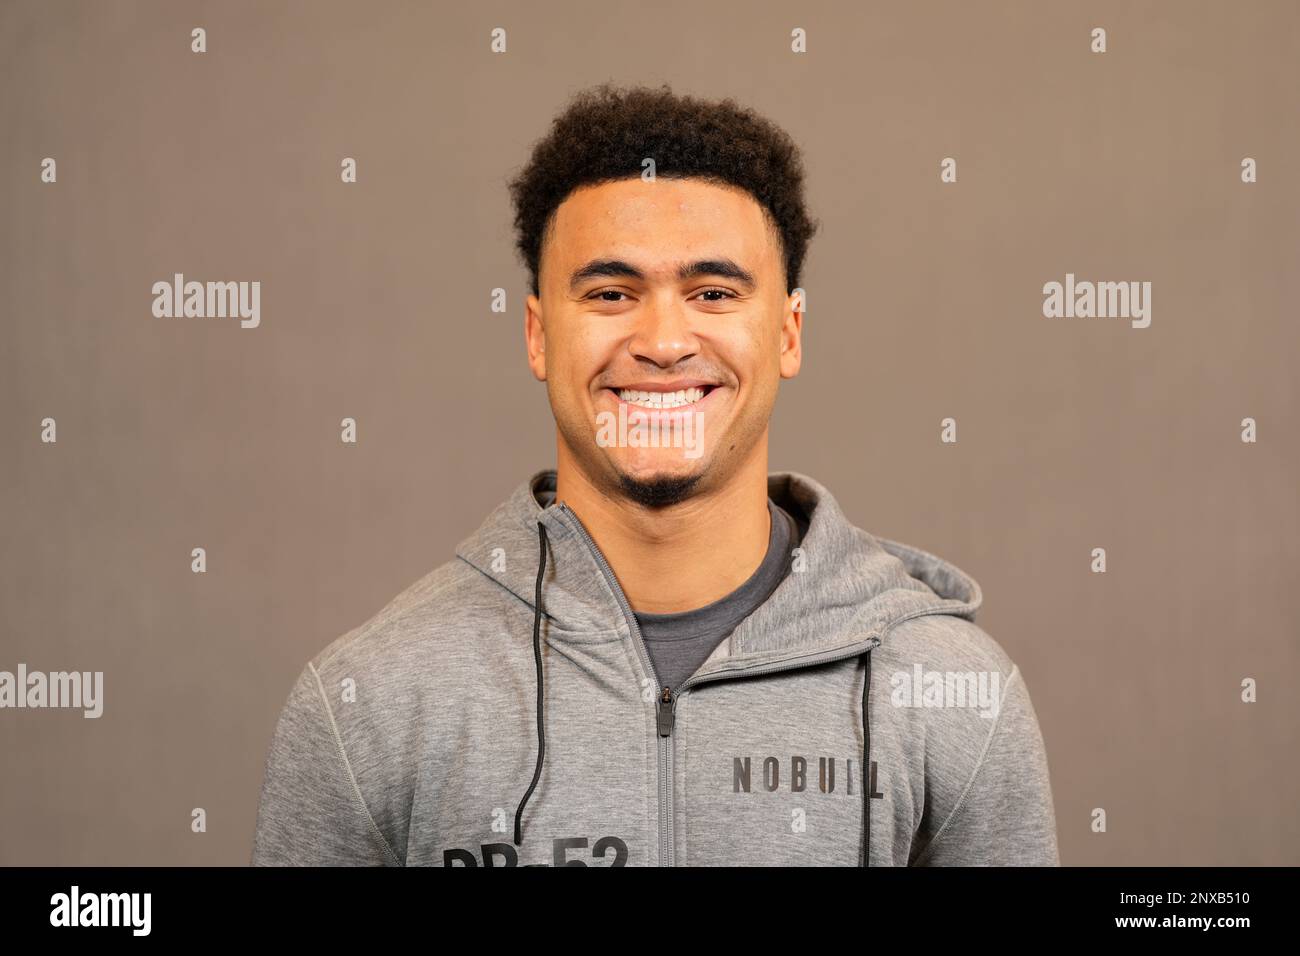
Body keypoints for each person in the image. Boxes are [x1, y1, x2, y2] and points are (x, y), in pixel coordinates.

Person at [251, 82, 1059, 867]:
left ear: (788, 332)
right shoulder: (374, 700)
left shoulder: (948, 692)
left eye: (712, 292)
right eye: (611, 292)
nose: (665, 340)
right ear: (538, 335)